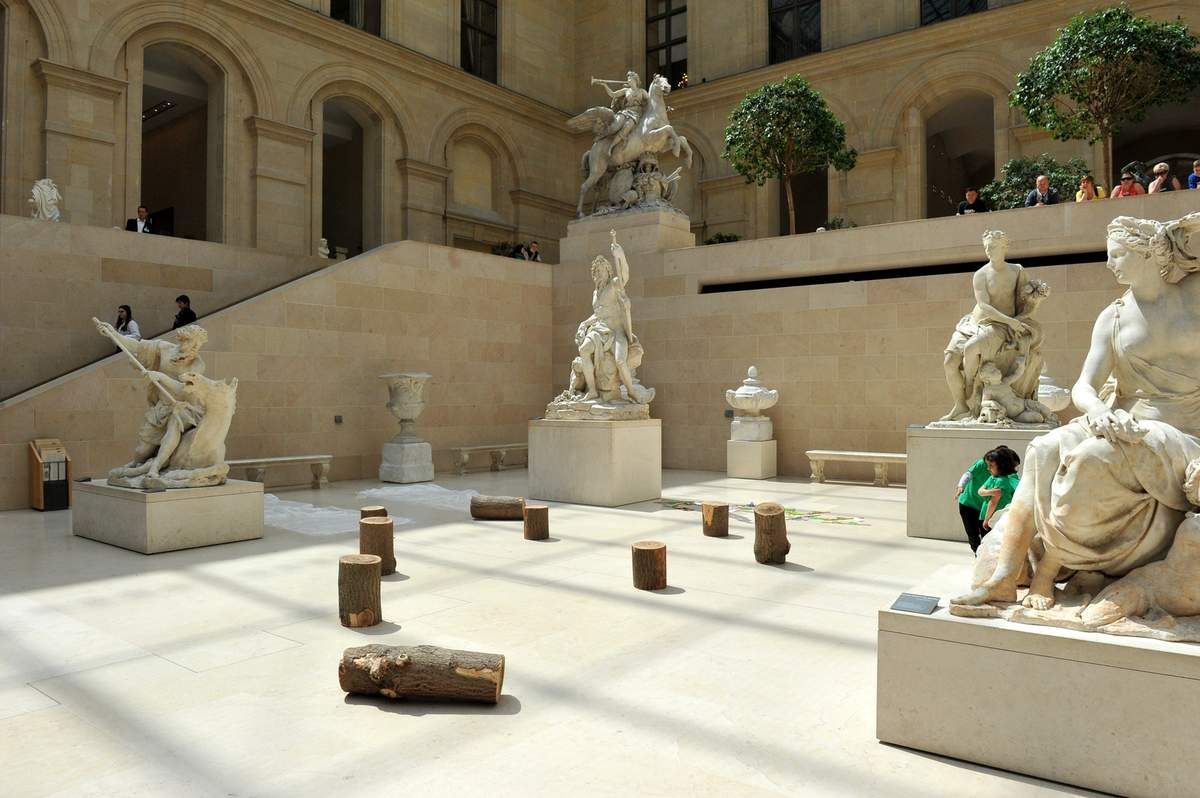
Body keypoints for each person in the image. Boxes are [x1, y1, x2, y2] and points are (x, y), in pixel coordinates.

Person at [953, 212, 1200, 611]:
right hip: (1117, 418)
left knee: (1090, 459)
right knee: (1042, 449)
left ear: (1148, 253)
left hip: (1179, 429)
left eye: (1118, 255)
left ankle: (1049, 572)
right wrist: (1100, 411)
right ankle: (1003, 576)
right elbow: (1084, 385)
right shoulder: (1113, 316)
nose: (1109, 264)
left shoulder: (1195, 297)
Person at [956, 447, 1004, 553]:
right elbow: (968, 474)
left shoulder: (1003, 473)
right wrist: (961, 485)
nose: (988, 468)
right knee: (973, 535)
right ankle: (978, 557)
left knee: (987, 535)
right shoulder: (982, 464)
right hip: (968, 504)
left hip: (985, 509)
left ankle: (984, 557)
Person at [978, 447, 1021, 535]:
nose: (988, 468)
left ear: (1001, 466)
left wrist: (986, 520)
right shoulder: (992, 477)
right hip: (988, 515)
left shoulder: (1001, 481)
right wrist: (992, 492)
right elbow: (980, 491)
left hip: (995, 518)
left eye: (991, 466)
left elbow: (993, 502)